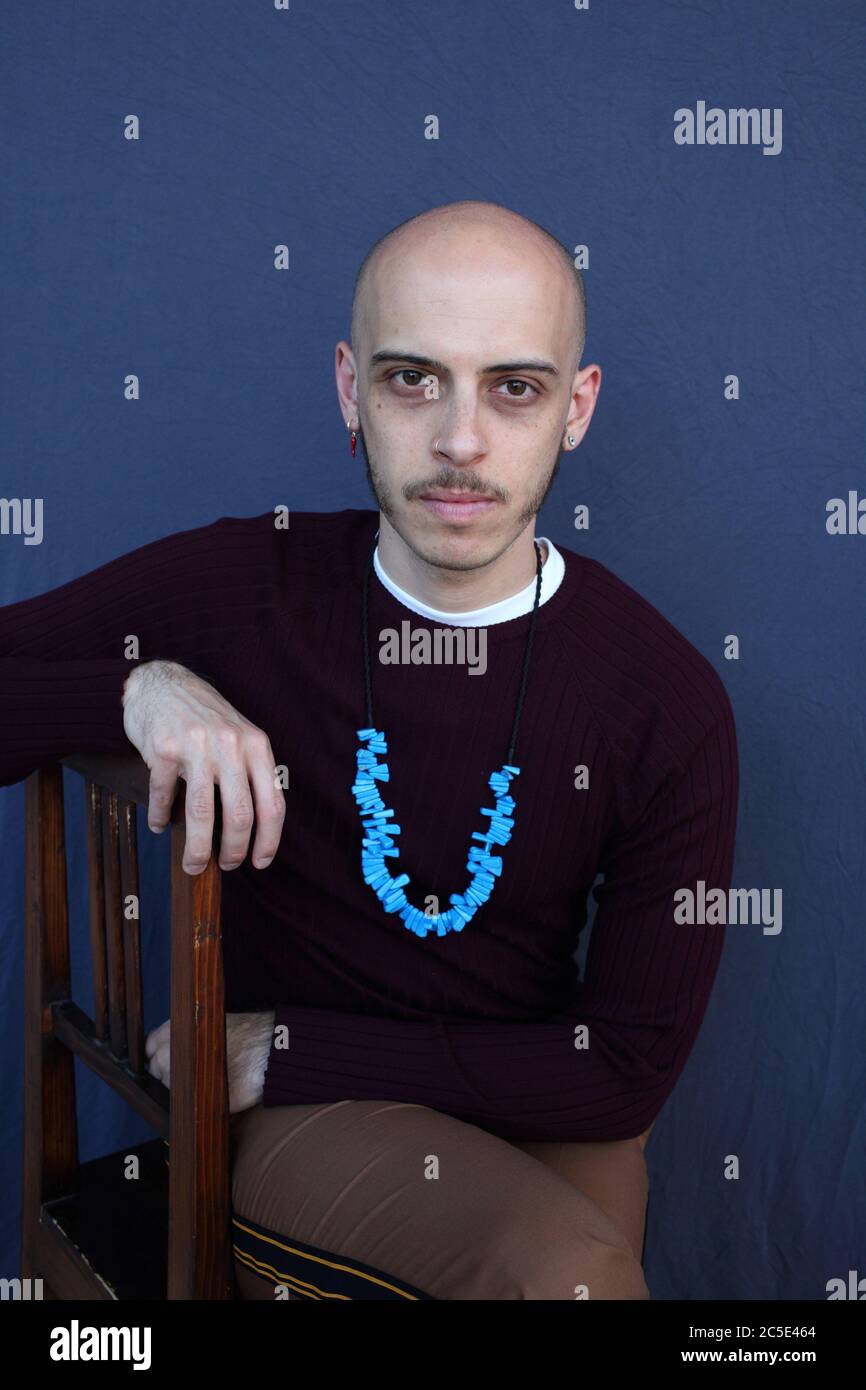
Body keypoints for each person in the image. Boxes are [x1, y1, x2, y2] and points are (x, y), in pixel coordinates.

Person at [1, 200, 738, 1300]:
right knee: (569, 1283)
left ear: (575, 409)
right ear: (350, 388)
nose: (459, 440)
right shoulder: (245, 584)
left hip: (519, 1095)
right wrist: (131, 689)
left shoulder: (663, 698)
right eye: (411, 380)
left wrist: (291, 1045)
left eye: (514, 387)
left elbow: (622, 1070)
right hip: (310, 1122)